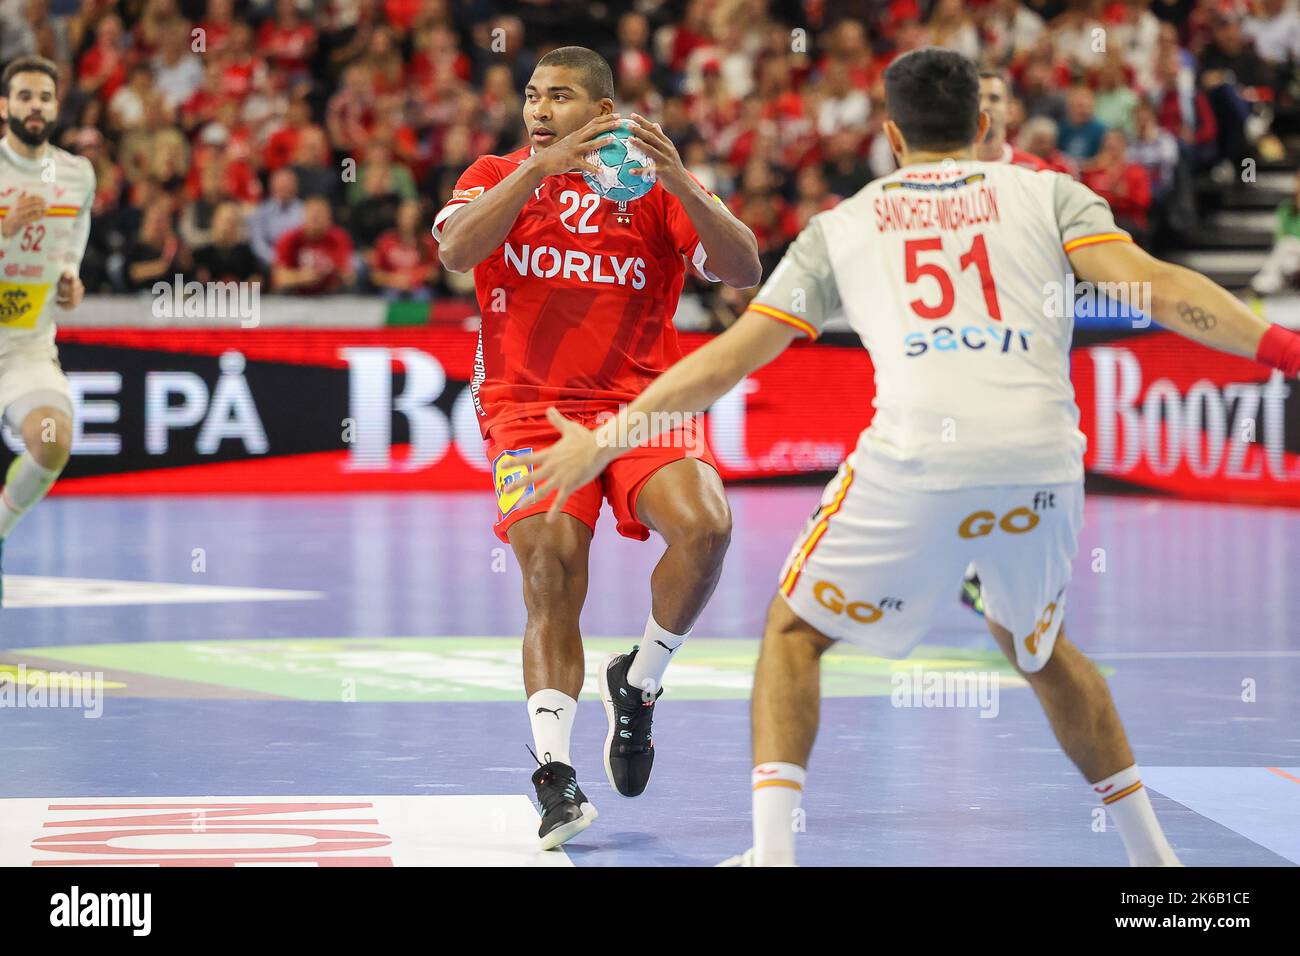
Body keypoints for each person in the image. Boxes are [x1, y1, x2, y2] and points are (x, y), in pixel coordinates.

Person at [520, 48, 1300, 867]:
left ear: (891, 134)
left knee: (791, 636)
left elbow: (728, 359)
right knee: (1039, 649)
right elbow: (1158, 286)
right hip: (1044, 463)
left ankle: (774, 857)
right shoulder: (1049, 194)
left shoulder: (848, 224)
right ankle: (1158, 865)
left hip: (917, 460)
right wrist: (1282, 346)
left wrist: (607, 439)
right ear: (987, 125)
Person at [432, 45, 760, 850]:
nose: (539, 110)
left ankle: (640, 682)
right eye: (534, 96)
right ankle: (554, 776)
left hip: (644, 405)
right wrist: (535, 174)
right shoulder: (492, 172)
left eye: (562, 97)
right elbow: (456, 251)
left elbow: (744, 267)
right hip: (530, 409)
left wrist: (683, 182)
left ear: (604, 114)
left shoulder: (649, 186)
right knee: (549, 567)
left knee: (709, 527)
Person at [0, 56, 94, 604]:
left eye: (44, 97)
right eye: (24, 95)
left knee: (53, 440)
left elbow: (70, 244)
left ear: (56, 107)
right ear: (5, 105)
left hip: (25, 350)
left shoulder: (77, 174)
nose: (34, 106)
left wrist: (70, 280)